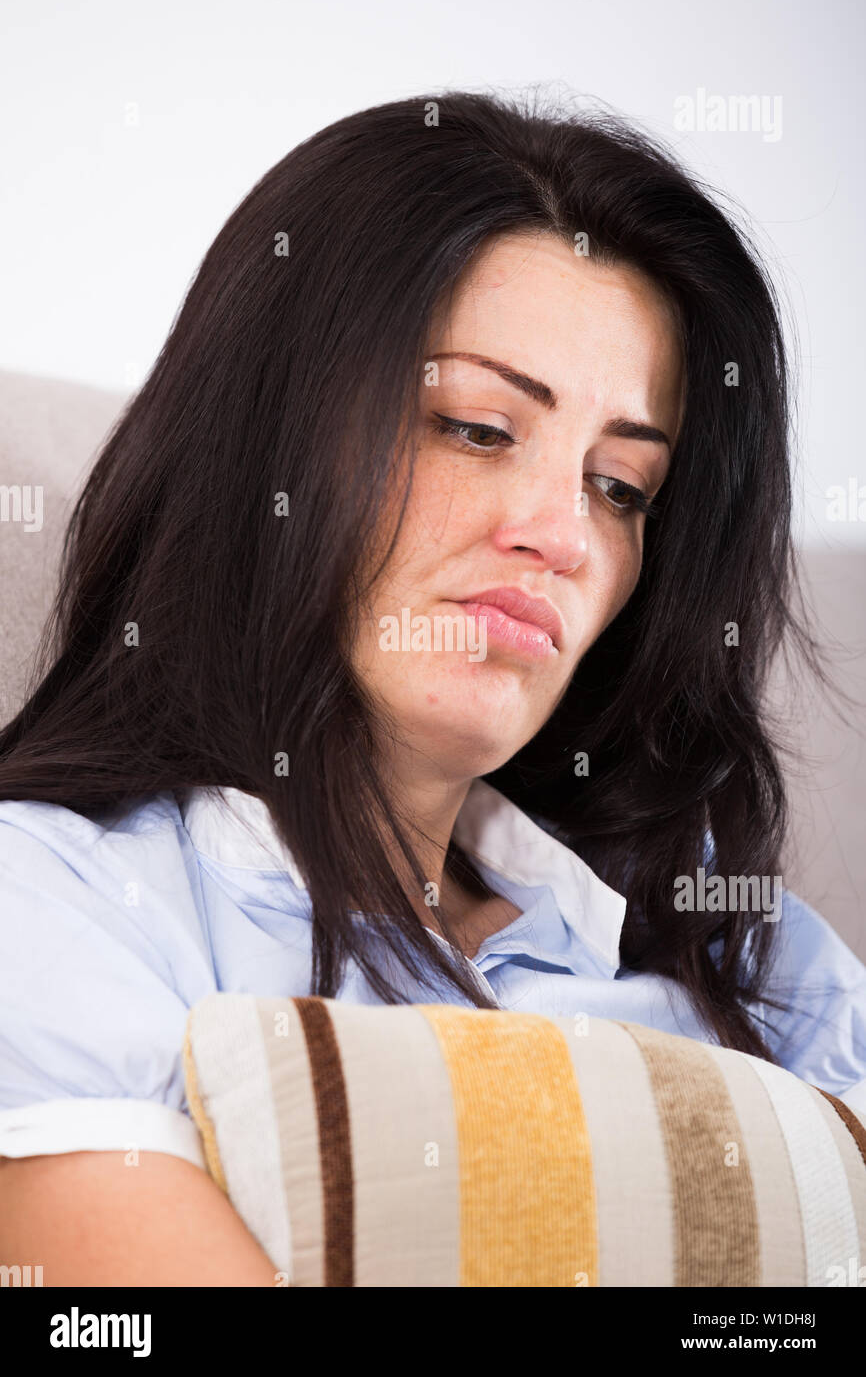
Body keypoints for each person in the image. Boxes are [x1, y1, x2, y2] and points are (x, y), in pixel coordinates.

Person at [1, 89, 863, 1285]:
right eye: (473, 424)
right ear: (274, 439)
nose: (561, 534)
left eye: (620, 485)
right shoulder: (53, 902)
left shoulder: (757, 961)